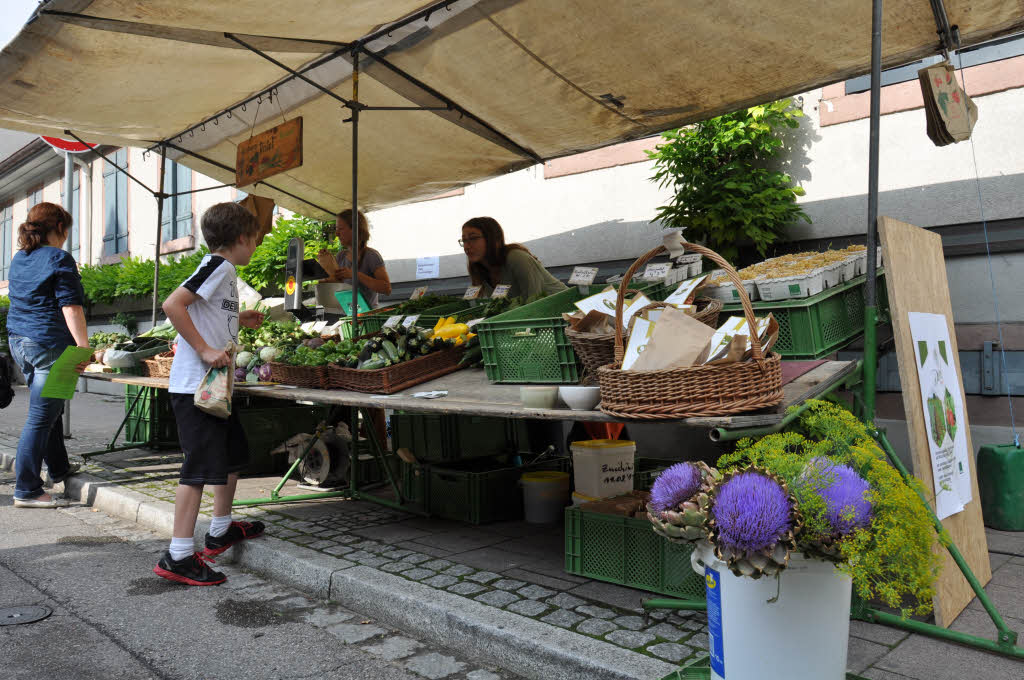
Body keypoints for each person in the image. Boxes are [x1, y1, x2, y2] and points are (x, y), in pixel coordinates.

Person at [154, 202, 267, 586]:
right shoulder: (220, 266)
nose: (255, 247)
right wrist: (203, 349)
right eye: (254, 240)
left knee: (232, 456)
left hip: (214, 388)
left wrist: (241, 320)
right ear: (240, 238)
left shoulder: (224, 271)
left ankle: (220, 529)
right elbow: (173, 304)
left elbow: (203, 312)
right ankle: (179, 555)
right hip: (196, 389)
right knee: (198, 469)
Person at [6, 203, 88, 508]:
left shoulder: (19, 259)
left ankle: (58, 468)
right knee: (41, 417)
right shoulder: (59, 258)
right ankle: (26, 488)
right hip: (49, 346)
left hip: (20, 343)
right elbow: (71, 307)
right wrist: (83, 348)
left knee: (49, 411)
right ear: (60, 229)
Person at [461, 217, 567, 299]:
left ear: (492, 238)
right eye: (464, 240)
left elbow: (534, 299)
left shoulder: (516, 257)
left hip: (566, 312)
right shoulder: (480, 270)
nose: (467, 246)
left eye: (473, 238)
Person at [318, 209, 391, 309]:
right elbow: (337, 284)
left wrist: (355, 274)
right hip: (347, 314)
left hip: (367, 318)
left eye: (340, 229)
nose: (337, 233)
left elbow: (386, 288)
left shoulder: (371, 256)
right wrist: (326, 264)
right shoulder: (341, 256)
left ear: (355, 229)